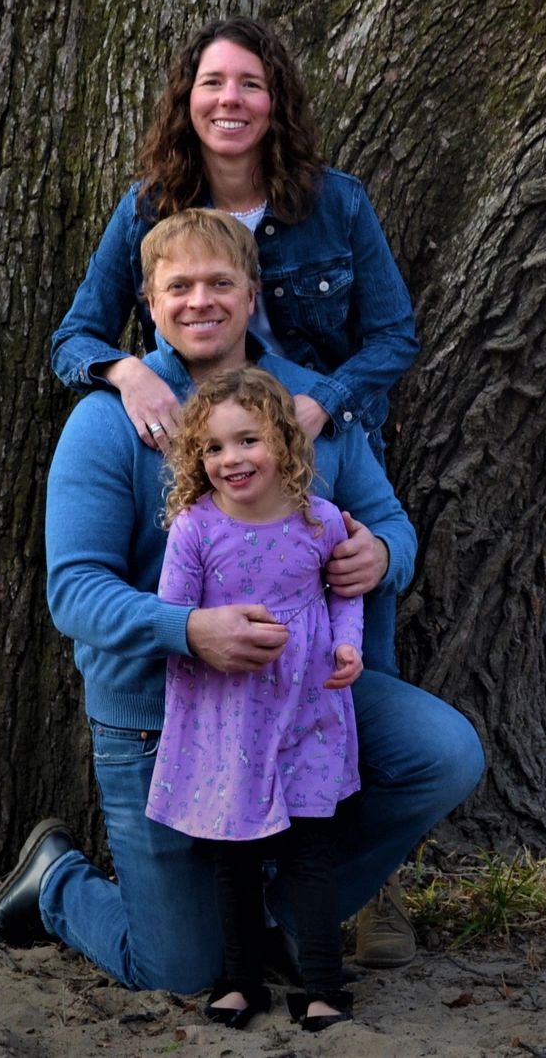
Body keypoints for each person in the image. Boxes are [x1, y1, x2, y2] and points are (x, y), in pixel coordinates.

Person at [0, 209, 481, 996]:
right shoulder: (107, 423)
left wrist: (381, 553)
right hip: (159, 714)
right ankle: (56, 884)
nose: (200, 300)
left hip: (301, 694)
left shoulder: (309, 410)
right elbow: (73, 591)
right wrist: (187, 628)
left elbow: (390, 522)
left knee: (444, 752)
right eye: (177, 286)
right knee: (183, 972)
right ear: (149, 304)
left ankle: (285, 914)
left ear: (253, 295)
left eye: (221, 282)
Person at [50, 16, 418, 461]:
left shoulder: (338, 203)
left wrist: (324, 403)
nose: (229, 99)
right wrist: (128, 373)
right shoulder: (147, 210)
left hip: (322, 446)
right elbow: (74, 339)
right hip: (203, 449)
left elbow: (394, 335)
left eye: (250, 84)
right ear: (189, 100)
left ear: (274, 102)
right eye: (212, 83)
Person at [151, 367, 363, 1030]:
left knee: (309, 849)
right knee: (233, 851)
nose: (230, 459)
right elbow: (172, 614)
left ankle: (324, 986)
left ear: (286, 442)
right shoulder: (195, 528)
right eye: (213, 448)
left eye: (247, 440)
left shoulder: (319, 520)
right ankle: (240, 979)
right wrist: (200, 636)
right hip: (226, 709)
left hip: (307, 707)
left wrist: (346, 645)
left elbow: (344, 588)